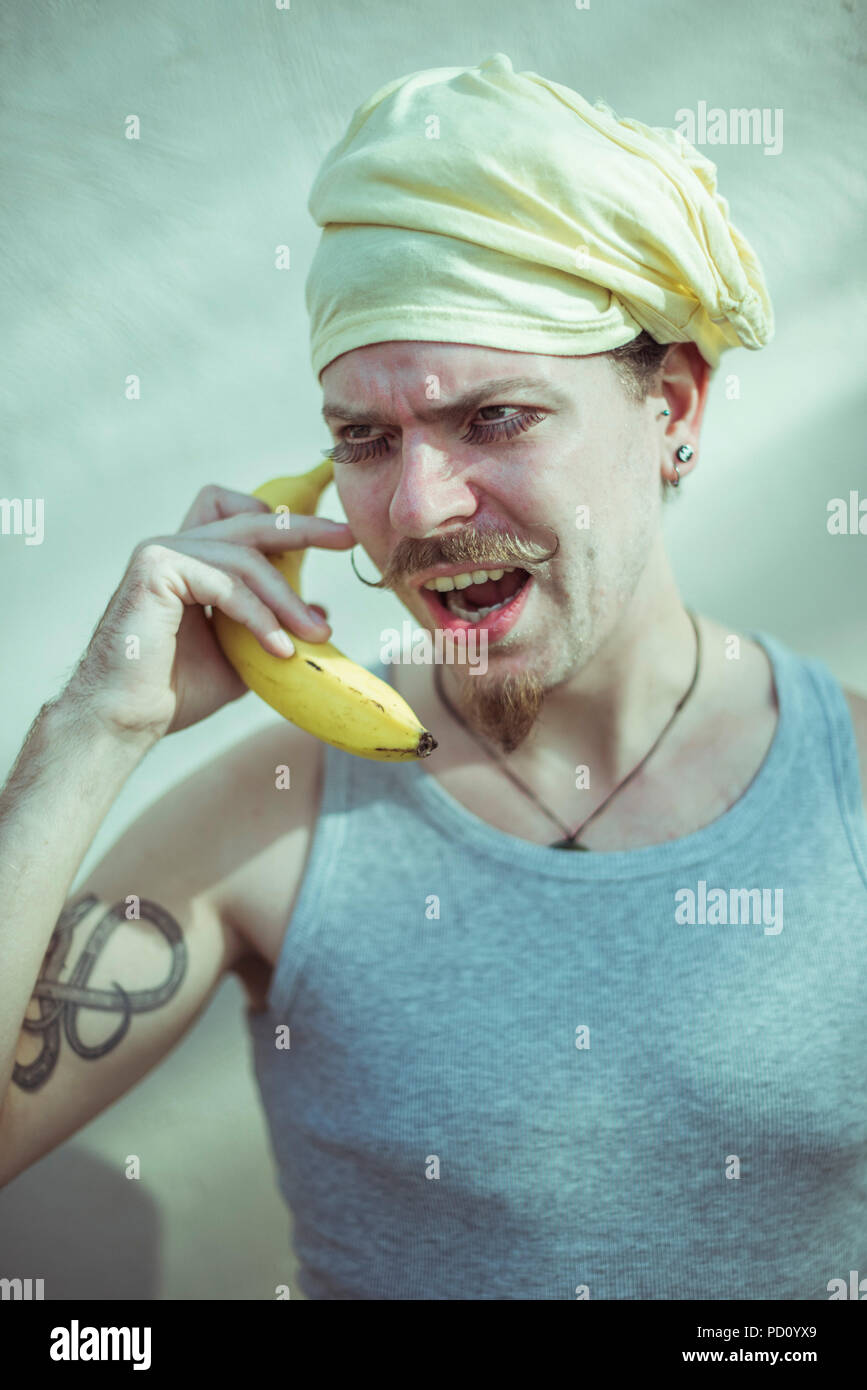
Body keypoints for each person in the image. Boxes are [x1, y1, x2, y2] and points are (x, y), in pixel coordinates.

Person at [1, 54, 866, 1301]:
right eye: (365, 437)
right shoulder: (280, 818)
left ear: (672, 404)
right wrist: (93, 724)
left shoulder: (848, 786)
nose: (414, 508)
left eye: (496, 419)